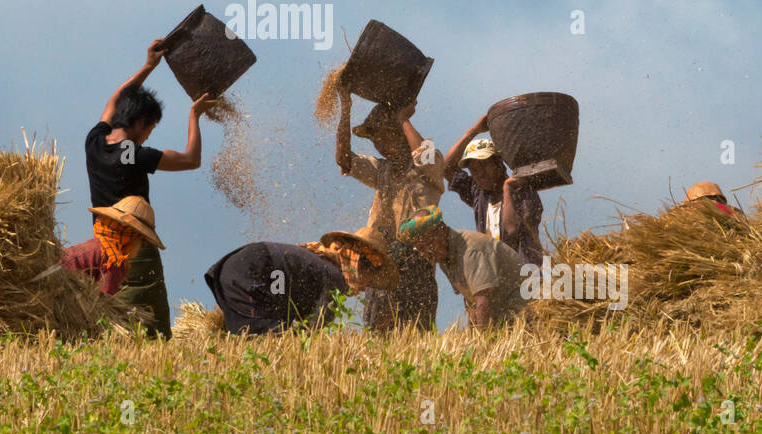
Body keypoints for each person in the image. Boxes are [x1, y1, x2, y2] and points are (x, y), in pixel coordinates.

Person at [85, 38, 215, 338]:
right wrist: (195, 116)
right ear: (142, 122)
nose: (147, 137)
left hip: (102, 245)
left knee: (111, 317)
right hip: (135, 248)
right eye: (150, 128)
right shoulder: (134, 154)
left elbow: (113, 101)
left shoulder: (94, 142)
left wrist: (148, 67)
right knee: (152, 327)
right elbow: (191, 159)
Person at [334, 80, 444, 332]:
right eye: (375, 138)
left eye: (384, 136)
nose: (380, 144)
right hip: (379, 258)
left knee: (416, 332)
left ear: (399, 134)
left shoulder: (428, 160)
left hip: (417, 257)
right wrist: (346, 107)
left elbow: (425, 156)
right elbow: (344, 159)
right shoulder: (381, 169)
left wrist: (403, 118)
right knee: (377, 330)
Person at [203, 227, 399, 335]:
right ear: (358, 265)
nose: (365, 289)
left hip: (231, 268)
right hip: (256, 271)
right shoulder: (334, 280)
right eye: (368, 281)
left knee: (246, 337)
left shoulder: (317, 261)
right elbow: (311, 334)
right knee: (271, 343)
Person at [397, 206, 527, 329]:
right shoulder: (444, 255)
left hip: (526, 313)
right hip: (505, 317)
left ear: (442, 230)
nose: (426, 252)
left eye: (429, 243)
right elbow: (470, 300)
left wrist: (483, 344)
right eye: (420, 248)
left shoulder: (470, 251)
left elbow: (482, 301)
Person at [442, 118, 546, 266]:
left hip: (525, 275)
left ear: (498, 163)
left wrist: (507, 189)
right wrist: (472, 132)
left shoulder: (523, 191)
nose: (480, 174)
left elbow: (511, 231)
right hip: (496, 279)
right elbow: (446, 168)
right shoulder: (478, 194)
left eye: (484, 165)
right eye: (474, 170)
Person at [61, 196, 164, 295]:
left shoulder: (99, 243)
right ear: (131, 238)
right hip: (59, 286)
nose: (141, 247)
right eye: (142, 241)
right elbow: (103, 301)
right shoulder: (113, 260)